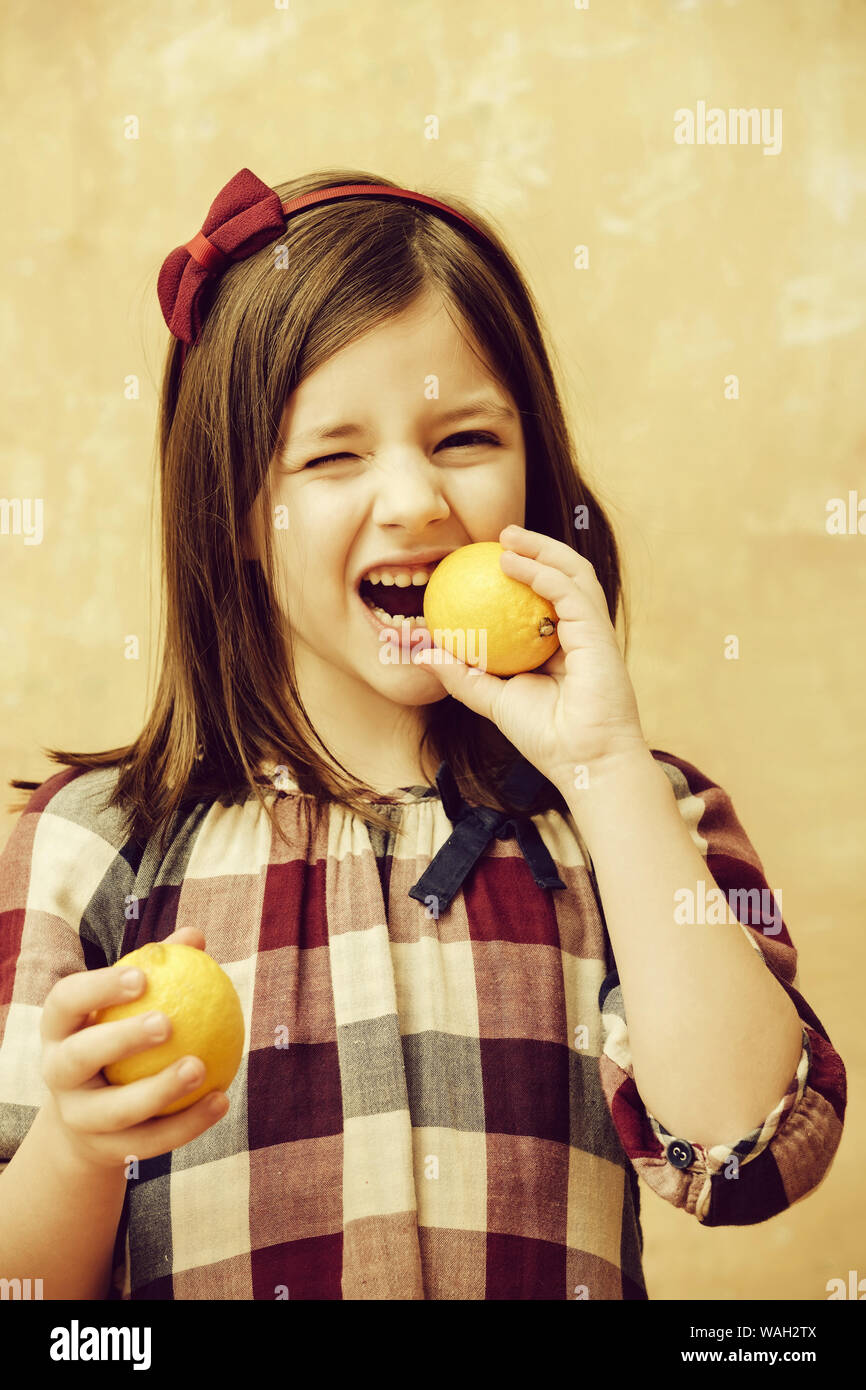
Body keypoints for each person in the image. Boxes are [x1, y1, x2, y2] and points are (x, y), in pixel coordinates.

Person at [0, 168, 846, 1301]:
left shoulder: (637, 816)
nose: (410, 500)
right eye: (332, 455)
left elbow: (753, 1153)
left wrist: (600, 768)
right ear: (239, 515)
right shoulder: (91, 845)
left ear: (531, 474)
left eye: (461, 439)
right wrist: (78, 1141)